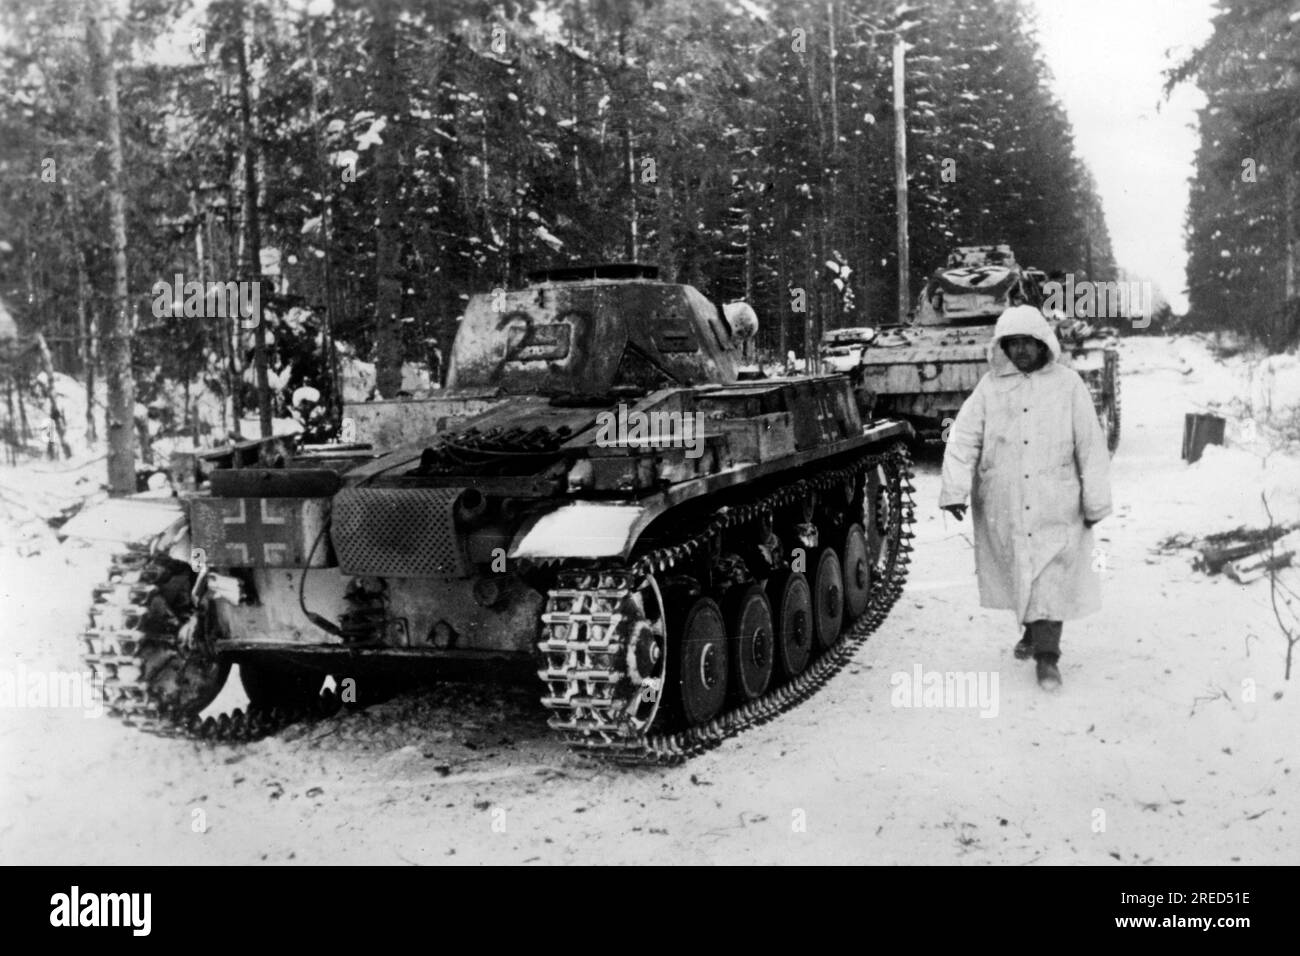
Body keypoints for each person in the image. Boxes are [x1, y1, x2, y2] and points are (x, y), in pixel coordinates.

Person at [938, 305, 1112, 690]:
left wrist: (1095, 501)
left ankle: (1048, 658)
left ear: (1041, 343)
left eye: (1026, 343)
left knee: (1050, 574)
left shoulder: (1068, 385)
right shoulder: (990, 387)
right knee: (1022, 570)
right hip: (1005, 502)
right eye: (1011, 344)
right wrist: (954, 487)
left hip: (1057, 500)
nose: (1020, 351)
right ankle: (1034, 632)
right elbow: (963, 437)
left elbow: (1090, 444)